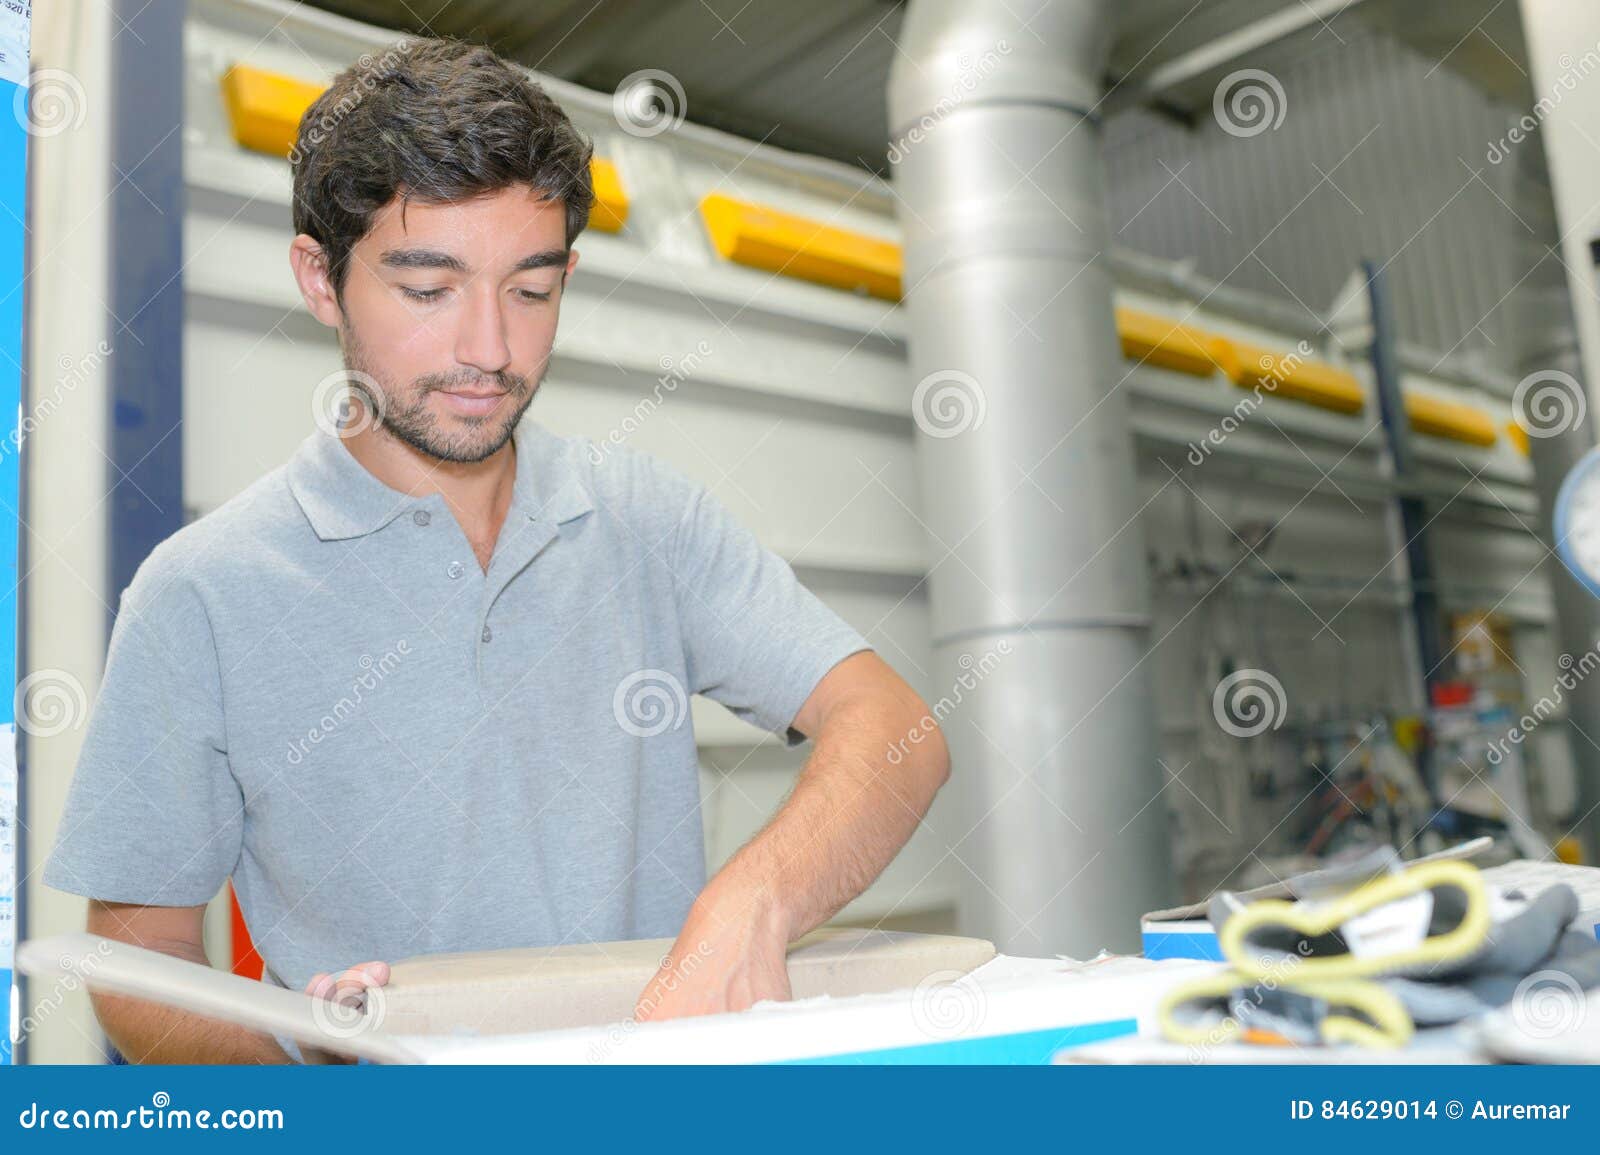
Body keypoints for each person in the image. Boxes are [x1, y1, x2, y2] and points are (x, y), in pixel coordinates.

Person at [43, 37, 949, 1063]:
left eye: (530, 288)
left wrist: (753, 903)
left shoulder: (650, 521)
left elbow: (895, 729)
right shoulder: (201, 593)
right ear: (319, 278)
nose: (491, 349)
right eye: (428, 289)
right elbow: (138, 960)